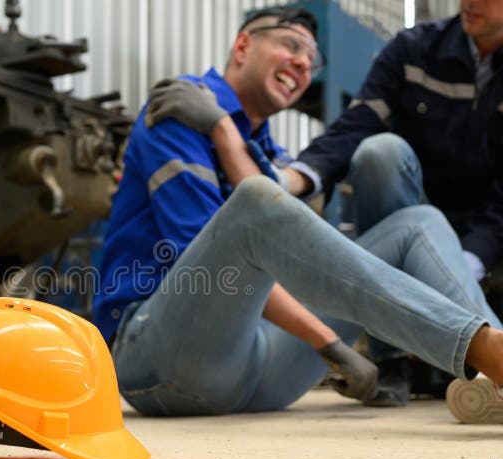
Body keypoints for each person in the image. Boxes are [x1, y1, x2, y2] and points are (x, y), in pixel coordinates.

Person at [92, 6, 503, 418]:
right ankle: (479, 347)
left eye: (312, 58)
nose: (304, 63)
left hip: (254, 366)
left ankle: (494, 368)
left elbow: (307, 260)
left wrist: (228, 135)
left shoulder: (268, 152)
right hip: (162, 359)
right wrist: (329, 342)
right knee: (256, 200)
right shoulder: (181, 106)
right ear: (242, 45)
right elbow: (209, 250)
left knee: (419, 223)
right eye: (291, 45)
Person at [291, 0, 503, 410]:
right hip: (407, 209)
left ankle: (485, 363)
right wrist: (298, 177)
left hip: (487, 235)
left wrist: (460, 263)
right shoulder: (413, 50)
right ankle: (392, 360)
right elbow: (356, 125)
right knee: (378, 153)